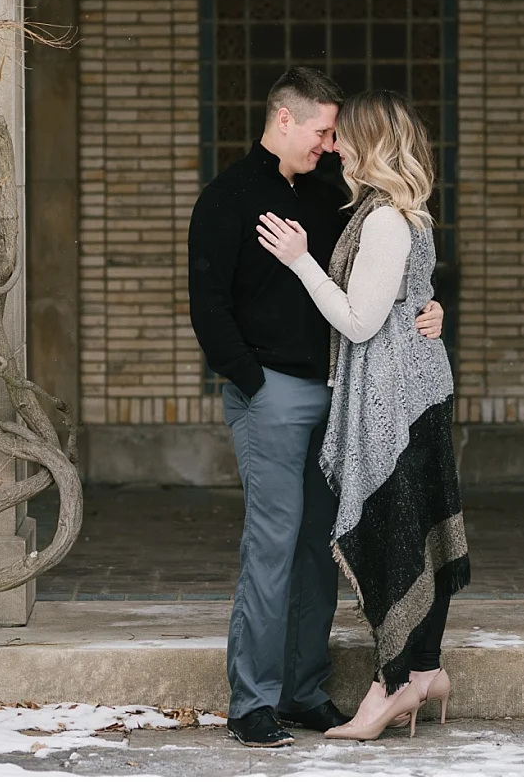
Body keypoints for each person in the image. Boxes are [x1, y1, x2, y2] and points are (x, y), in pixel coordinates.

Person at [188, 68, 444, 749]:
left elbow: (382, 281)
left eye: (337, 134)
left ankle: (305, 689)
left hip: (336, 399)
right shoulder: (226, 198)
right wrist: (252, 379)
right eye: (322, 131)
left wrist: (430, 309)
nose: (331, 145)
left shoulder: (334, 199)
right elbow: (207, 304)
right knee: (270, 547)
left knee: (315, 549)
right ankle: (253, 701)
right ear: (283, 120)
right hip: (269, 394)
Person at [255, 88, 470, 741]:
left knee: (390, 541)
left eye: (345, 135)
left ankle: (392, 685)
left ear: (369, 143)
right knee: (417, 536)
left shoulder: (382, 220)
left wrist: (301, 264)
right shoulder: (408, 210)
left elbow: (359, 318)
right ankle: (425, 670)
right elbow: (414, 297)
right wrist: (431, 311)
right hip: (421, 392)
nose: (335, 145)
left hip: (397, 407)